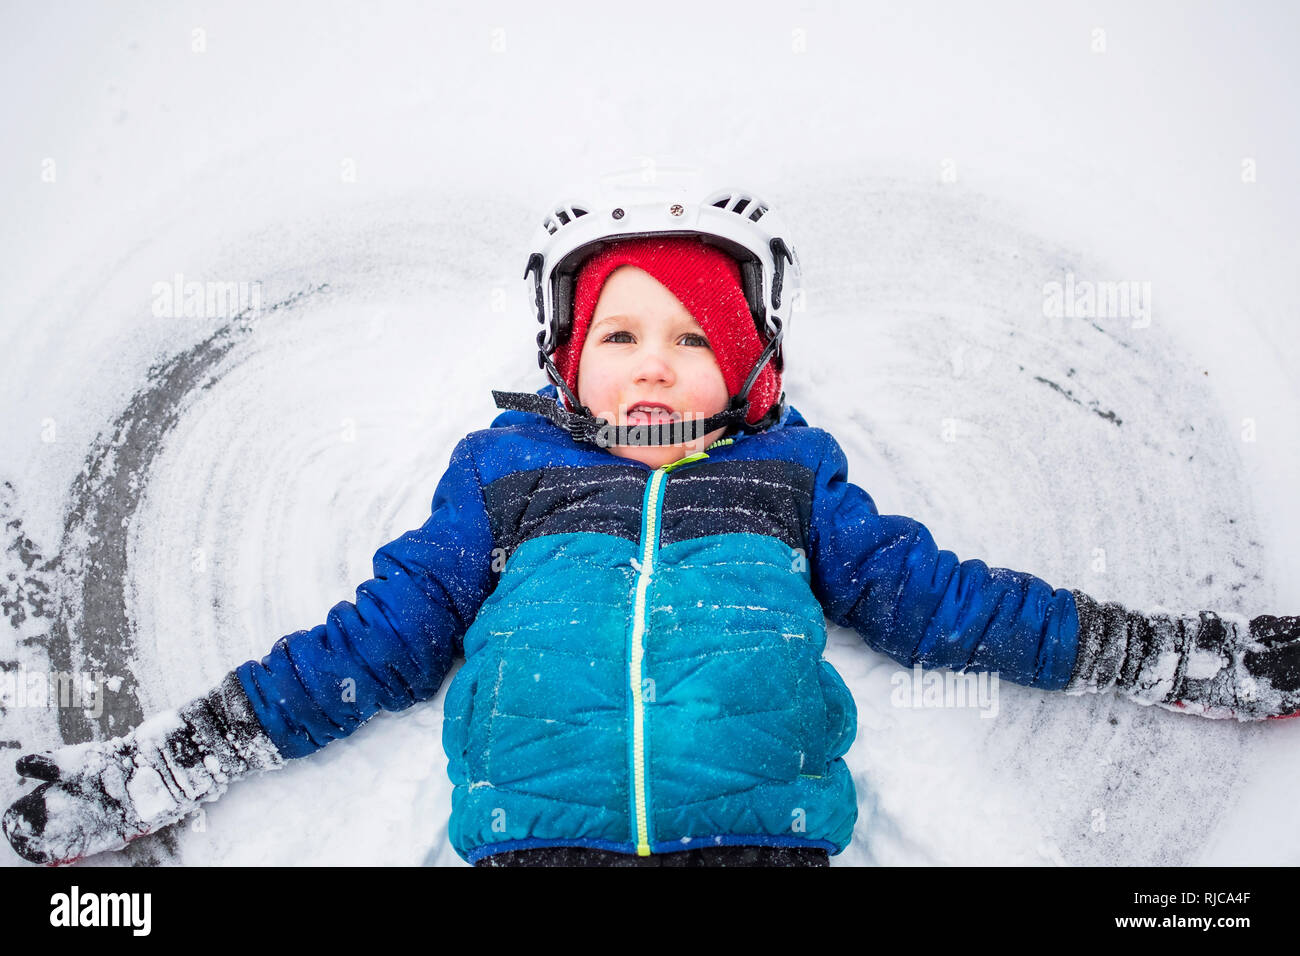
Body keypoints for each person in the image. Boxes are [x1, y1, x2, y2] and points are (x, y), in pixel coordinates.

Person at [4, 186, 1298, 869]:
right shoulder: (506, 474)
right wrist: (161, 768)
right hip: (541, 846)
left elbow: (948, 604)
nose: (655, 365)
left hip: (759, 843)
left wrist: (1175, 654)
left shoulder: (792, 479)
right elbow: (374, 641)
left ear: (751, 368)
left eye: (696, 339)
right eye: (621, 334)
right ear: (567, 352)